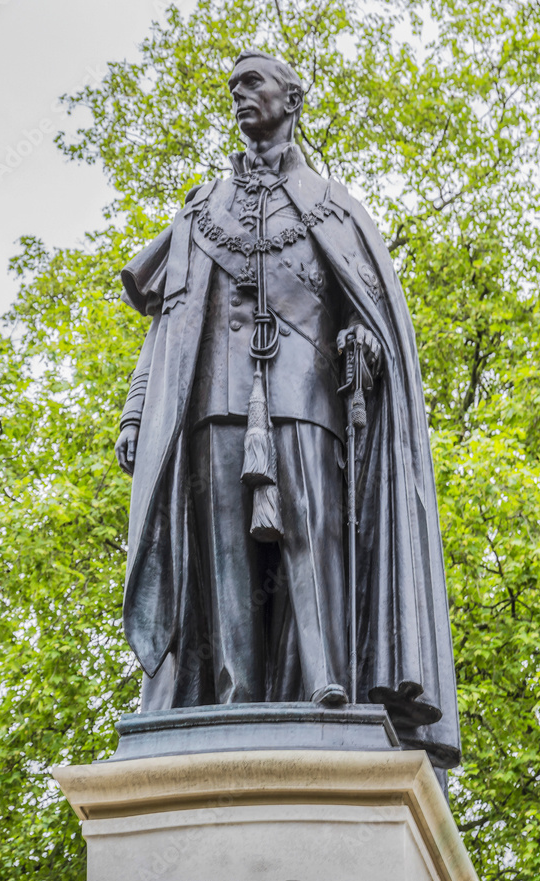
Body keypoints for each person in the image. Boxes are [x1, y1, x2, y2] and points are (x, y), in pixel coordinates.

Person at [115, 49, 460, 772]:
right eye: (232, 87)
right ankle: (235, 694)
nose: (239, 95)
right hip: (215, 400)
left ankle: (324, 681)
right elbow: (168, 326)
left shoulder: (334, 207)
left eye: (252, 83)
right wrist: (137, 411)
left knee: (313, 531)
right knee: (225, 553)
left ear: (292, 99)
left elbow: (365, 307)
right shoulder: (202, 209)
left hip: (308, 394)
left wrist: (364, 340)